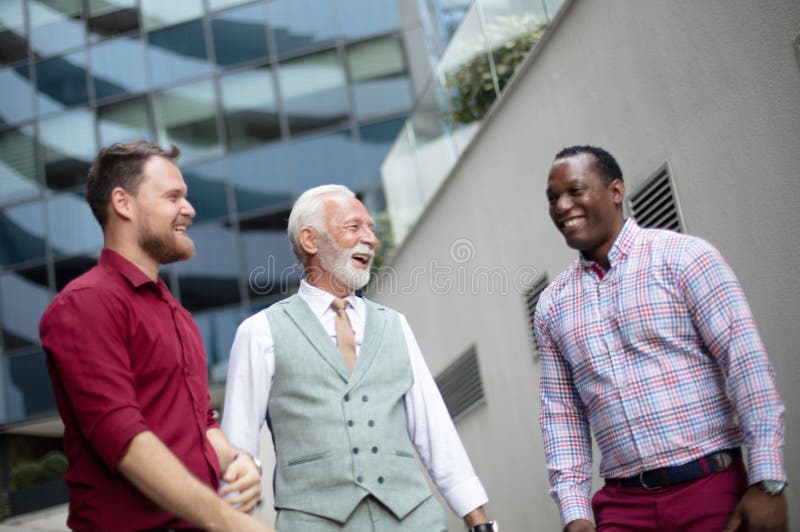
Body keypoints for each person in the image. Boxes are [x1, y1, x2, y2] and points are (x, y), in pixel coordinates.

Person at [535, 145, 788, 531]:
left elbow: (746, 365)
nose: (562, 206)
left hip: (710, 488)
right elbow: (562, 416)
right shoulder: (552, 305)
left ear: (616, 191)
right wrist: (574, 512)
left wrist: (767, 482)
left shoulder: (686, 258)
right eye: (553, 198)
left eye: (575, 190)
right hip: (622, 508)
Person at [222, 184, 497, 531]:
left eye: (370, 228)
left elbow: (434, 428)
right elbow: (238, 452)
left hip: (414, 520)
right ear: (311, 241)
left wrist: (479, 521)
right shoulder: (259, 331)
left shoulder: (394, 324)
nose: (371, 238)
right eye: (354, 227)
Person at [39, 141, 274, 532]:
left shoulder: (178, 315)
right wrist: (229, 522)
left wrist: (237, 460)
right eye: (173, 196)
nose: (190, 209)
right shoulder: (86, 304)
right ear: (123, 203)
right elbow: (125, 440)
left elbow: (201, 424)